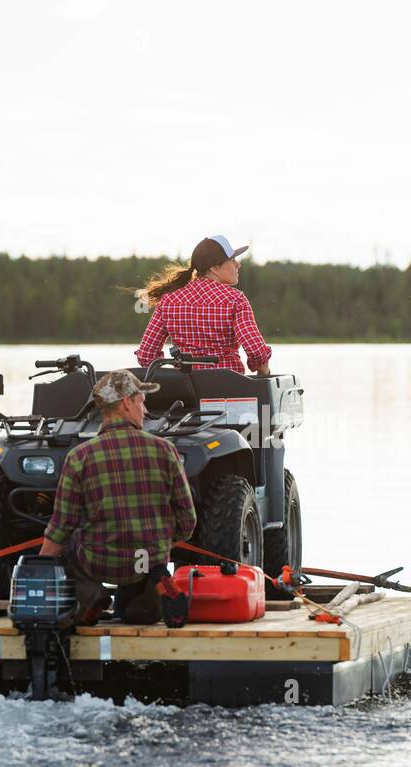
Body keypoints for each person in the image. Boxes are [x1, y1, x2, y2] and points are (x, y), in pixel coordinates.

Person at [38, 370, 196, 625]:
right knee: (137, 598)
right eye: (142, 402)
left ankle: (91, 596)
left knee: (69, 541)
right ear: (126, 402)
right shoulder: (166, 450)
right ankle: (149, 597)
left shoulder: (79, 456)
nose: (145, 411)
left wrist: (41, 568)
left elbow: (61, 528)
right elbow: (188, 522)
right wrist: (162, 541)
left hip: (99, 562)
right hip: (146, 560)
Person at [134, 235, 273, 376]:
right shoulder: (235, 300)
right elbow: (256, 351)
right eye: (232, 260)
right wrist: (264, 376)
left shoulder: (168, 301)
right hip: (230, 389)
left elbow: (146, 356)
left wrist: (172, 380)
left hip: (185, 391)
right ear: (213, 268)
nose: (238, 265)